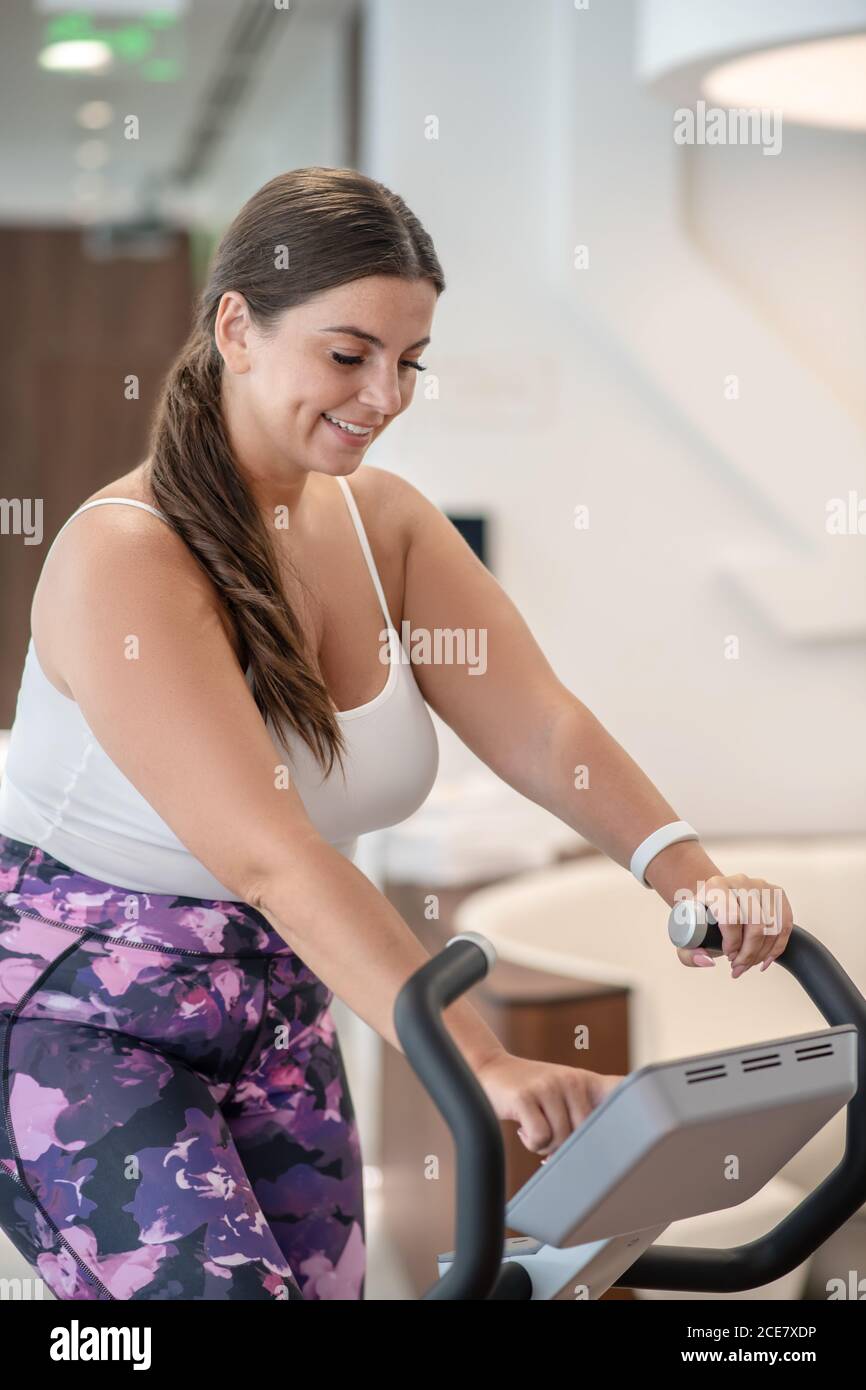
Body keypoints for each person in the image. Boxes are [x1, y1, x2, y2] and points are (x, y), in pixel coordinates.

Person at [0, 166, 793, 1302]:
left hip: (273, 997)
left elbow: (539, 728)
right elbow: (271, 855)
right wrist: (474, 1058)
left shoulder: (386, 523)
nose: (385, 393)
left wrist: (687, 876)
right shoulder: (126, 556)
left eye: (408, 361)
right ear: (237, 326)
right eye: (347, 353)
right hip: (77, 1019)